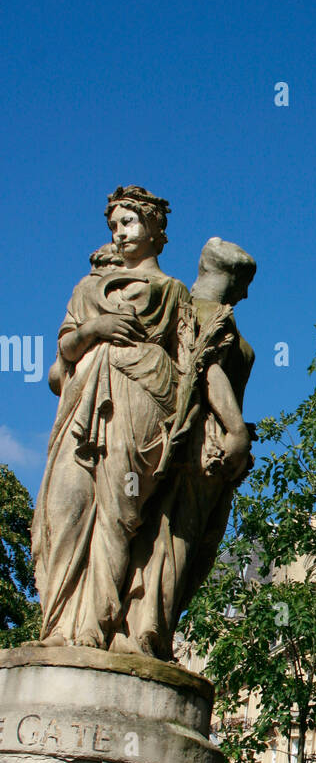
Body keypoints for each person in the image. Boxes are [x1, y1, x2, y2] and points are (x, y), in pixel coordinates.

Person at [32, 187, 193, 650]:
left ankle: (95, 628)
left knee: (118, 514)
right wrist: (93, 329)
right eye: (114, 225)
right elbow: (63, 351)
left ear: (154, 229)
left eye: (129, 222)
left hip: (141, 400)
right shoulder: (87, 288)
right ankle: (58, 624)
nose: (120, 233)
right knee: (66, 506)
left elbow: (188, 367)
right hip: (82, 400)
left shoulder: (172, 291)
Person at [113, 238, 256, 657]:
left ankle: (144, 626)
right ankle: (148, 631)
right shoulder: (209, 318)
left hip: (196, 450)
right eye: (245, 283)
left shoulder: (181, 309)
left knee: (165, 537)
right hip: (200, 449)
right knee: (176, 542)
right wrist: (236, 431)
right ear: (231, 281)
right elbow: (206, 368)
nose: (246, 293)